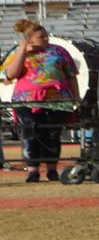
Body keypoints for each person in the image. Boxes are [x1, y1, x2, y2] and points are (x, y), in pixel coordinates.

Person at [2, 19, 81, 183]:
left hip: (57, 99)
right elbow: (10, 75)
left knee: (52, 134)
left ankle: (52, 170)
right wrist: (22, 51)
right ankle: (33, 170)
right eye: (41, 37)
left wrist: (76, 97)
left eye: (46, 36)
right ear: (29, 39)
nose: (46, 39)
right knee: (31, 132)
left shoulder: (59, 51)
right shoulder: (19, 52)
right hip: (27, 100)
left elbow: (71, 75)